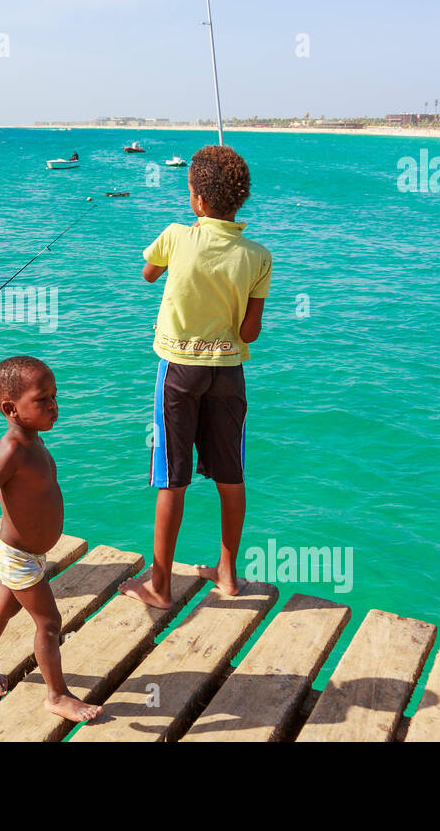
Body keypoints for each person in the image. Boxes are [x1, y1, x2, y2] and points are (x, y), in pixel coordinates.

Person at [120, 145, 271, 607]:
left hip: (179, 373)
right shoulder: (258, 256)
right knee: (230, 475)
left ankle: (160, 585)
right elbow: (251, 331)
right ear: (238, 201)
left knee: (172, 476)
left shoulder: (174, 236)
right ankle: (227, 575)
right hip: (228, 374)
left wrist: (184, 250)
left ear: (197, 200)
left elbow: (149, 274)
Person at [0, 356, 101, 723]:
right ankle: (56, 695)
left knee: (5, 608)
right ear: (11, 409)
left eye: (54, 396)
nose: (54, 406)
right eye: (42, 399)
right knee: (49, 623)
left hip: (29, 553)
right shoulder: (11, 449)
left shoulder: (33, 439)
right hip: (16, 557)